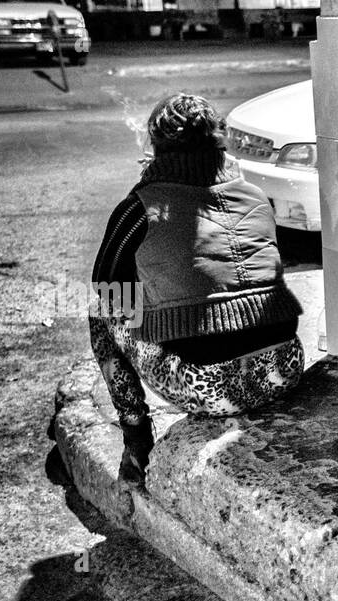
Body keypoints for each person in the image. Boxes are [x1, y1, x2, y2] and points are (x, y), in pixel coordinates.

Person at [88, 91, 304, 484]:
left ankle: (136, 439)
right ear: (218, 141)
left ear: (156, 148)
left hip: (211, 389)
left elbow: (107, 287)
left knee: (101, 310)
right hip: (283, 370)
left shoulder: (141, 206)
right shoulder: (254, 194)